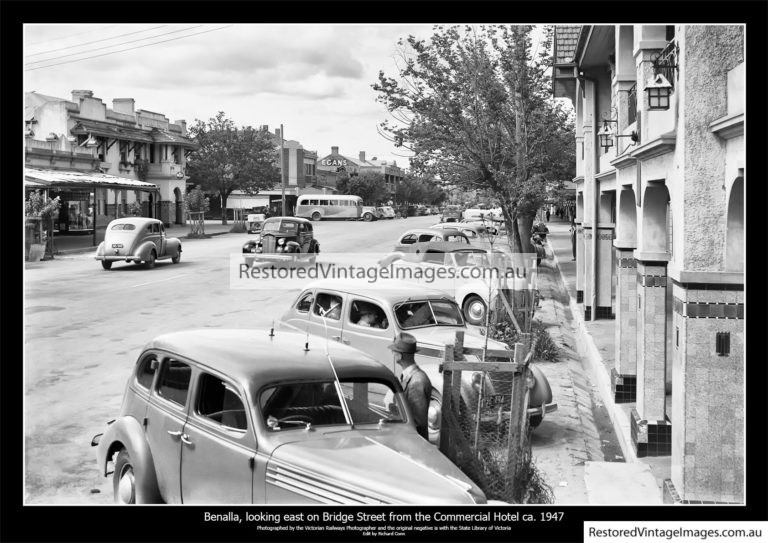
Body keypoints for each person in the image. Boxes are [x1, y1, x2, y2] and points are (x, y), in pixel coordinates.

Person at [388, 332, 431, 440]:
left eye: (394, 351)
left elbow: (417, 422)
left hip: (413, 442)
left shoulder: (417, 382)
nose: (392, 353)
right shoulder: (410, 377)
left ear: (400, 355)